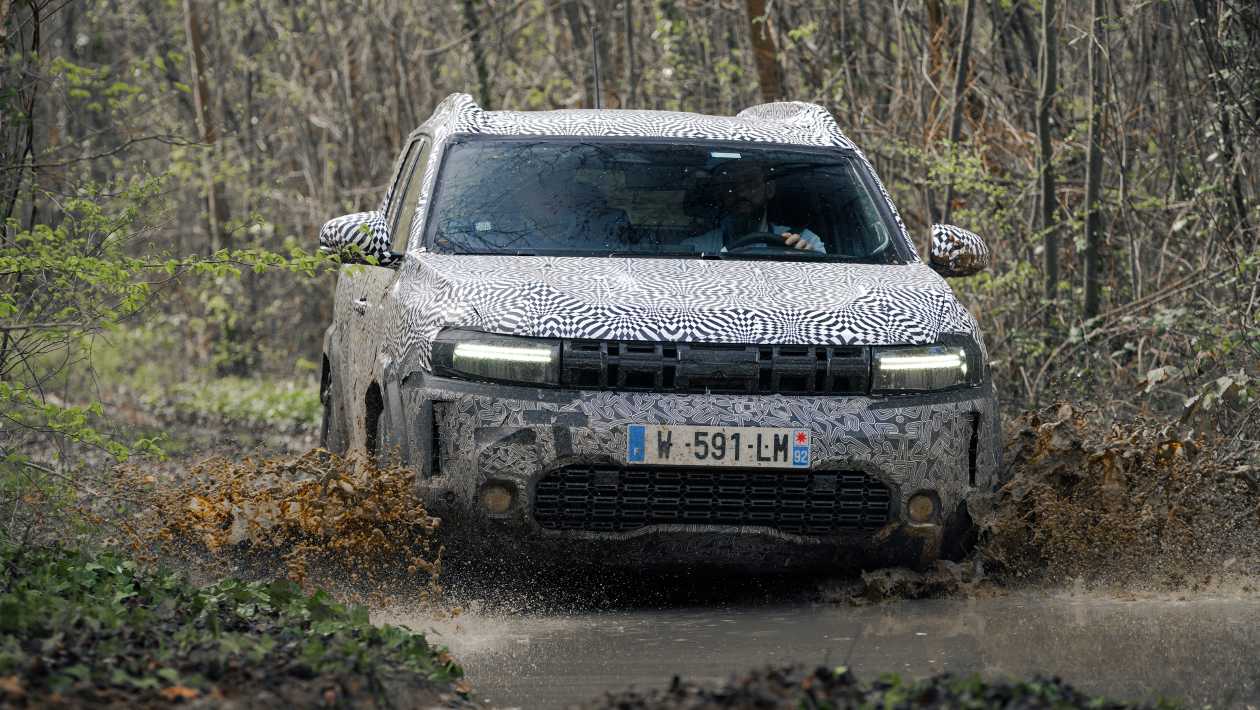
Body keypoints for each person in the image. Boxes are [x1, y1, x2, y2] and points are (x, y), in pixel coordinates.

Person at [680, 161, 824, 254]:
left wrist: (807, 258)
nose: (741, 192)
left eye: (750, 183)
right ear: (721, 195)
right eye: (730, 186)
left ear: (769, 190)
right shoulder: (695, 248)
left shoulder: (805, 241)